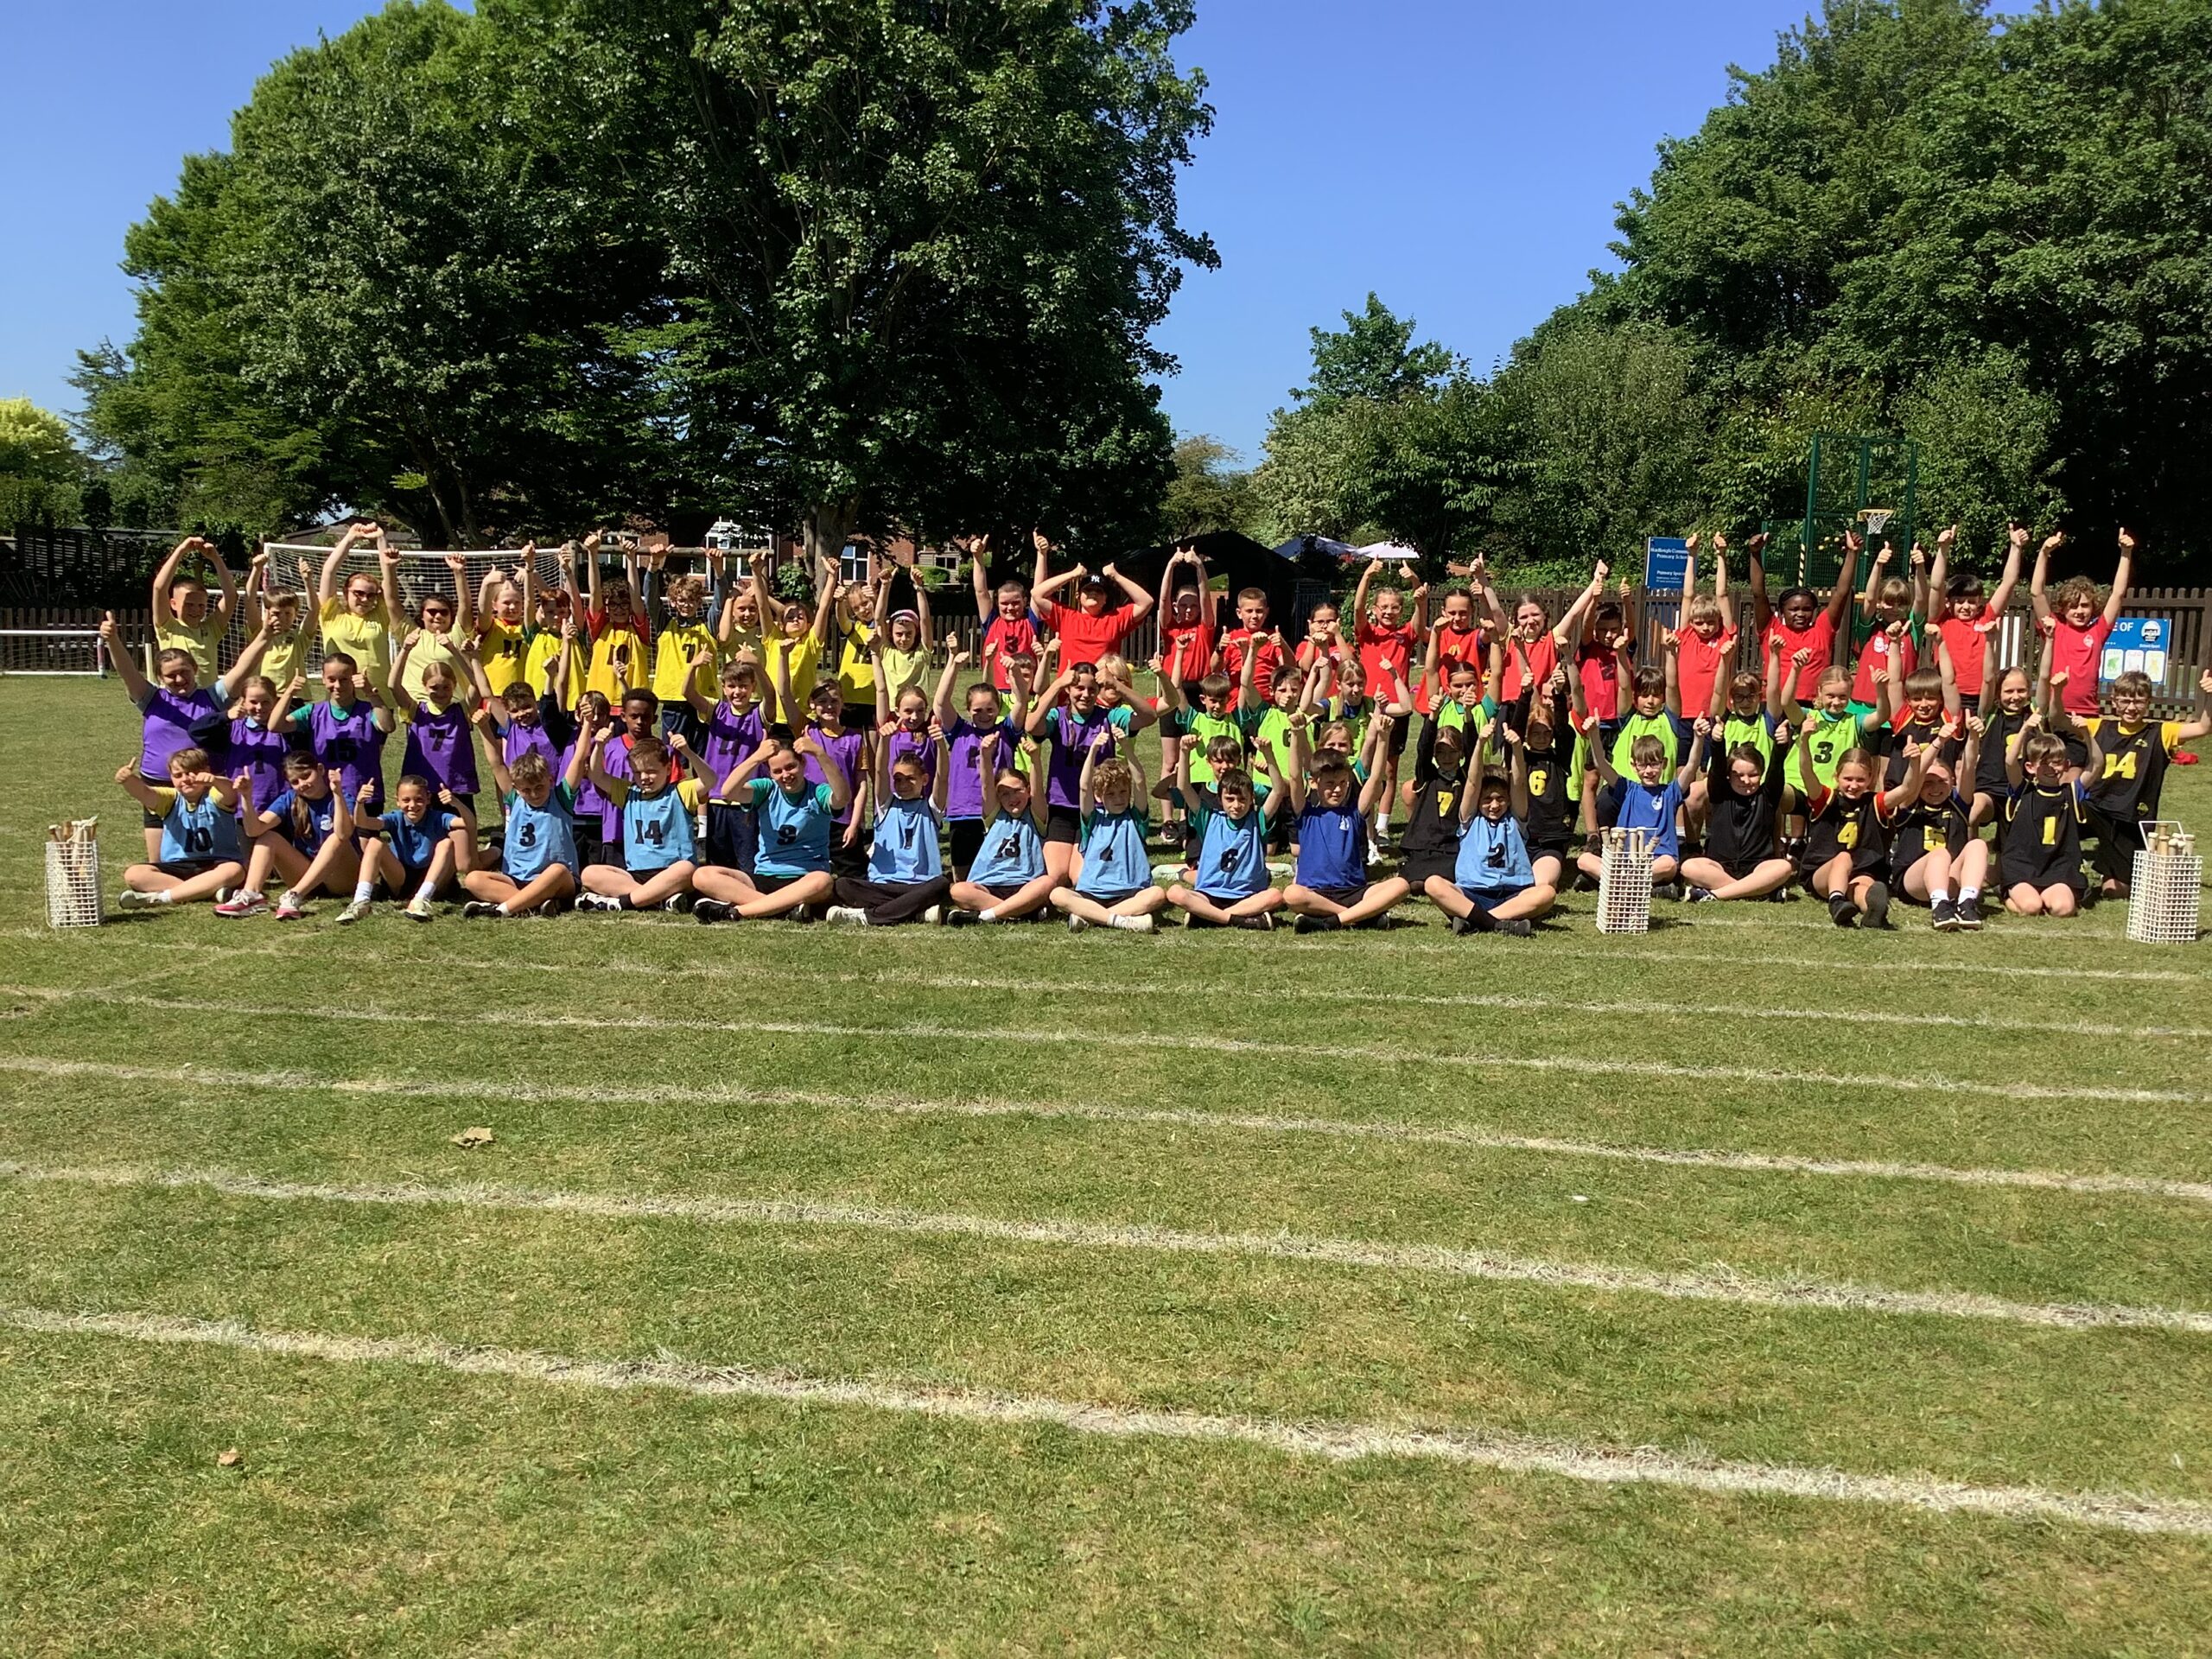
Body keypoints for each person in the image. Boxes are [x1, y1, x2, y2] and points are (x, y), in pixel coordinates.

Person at [99, 609, 270, 860]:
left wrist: (265, 633)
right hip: (158, 784)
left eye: (185, 673)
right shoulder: (151, 698)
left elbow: (243, 667)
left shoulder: (214, 696)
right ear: (159, 677)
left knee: (213, 856)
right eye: (170, 675)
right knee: (158, 862)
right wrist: (112, 640)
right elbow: (127, 671)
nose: (179, 679)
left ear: (195, 670)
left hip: (206, 784)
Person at [2079, 668, 2212, 899]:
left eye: (2139, 702)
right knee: (2063, 805)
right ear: (2114, 701)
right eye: (2126, 701)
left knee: (2115, 891)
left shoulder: (2161, 731)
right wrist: (2056, 689)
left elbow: (2203, 727)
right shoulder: (2098, 726)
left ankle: (2113, 872)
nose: (2132, 708)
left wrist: (2210, 697)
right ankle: (2062, 872)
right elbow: (2057, 718)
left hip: (2132, 818)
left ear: (2149, 702)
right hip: (2098, 810)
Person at [692, 731, 850, 922]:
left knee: (823, 881)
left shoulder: (818, 792)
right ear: (770, 773)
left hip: (805, 877)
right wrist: (757, 757)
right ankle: (783, 910)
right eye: (778, 771)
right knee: (702, 875)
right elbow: (729, 792)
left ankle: (739, 912)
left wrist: (820, 753)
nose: (785, 775)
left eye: (791, 767)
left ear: (802, 764)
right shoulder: (766, 789)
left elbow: (842, 798)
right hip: (765, 875)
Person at [1026, 656, 1152, 882]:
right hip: (1061, 807)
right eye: (1078, 688)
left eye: (1092, 689)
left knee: (1080, 876)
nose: (1085, 694)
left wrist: (1118, 686)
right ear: (1069, 689)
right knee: (1054, 875)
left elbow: (1148, 716)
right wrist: (1057, 685)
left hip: (1099, 810)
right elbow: (1031, 725)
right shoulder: (1059, 716)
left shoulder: (1110, 716)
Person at [1281, 715, 1411, 931]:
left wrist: (1383, 737)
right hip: (1315, 893)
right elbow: (1294, 777)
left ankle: (1331, 921)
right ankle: (1360, 916)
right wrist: (1296, 734)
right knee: (1291, 894)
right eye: (1330, 784)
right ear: (1313, 783)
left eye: (1342, 783)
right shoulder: (1306, 812)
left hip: (1354, 891)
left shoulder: (1354, 811)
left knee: (1401, 885)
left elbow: (1376, 776)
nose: (1337, 789)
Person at [1422, 726, 1556, 936]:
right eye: (1487, 800)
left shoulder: (1515, 820)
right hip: (1471, 893)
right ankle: (1499, 924)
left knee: (1546, 893)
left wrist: (1517, 748)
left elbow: (1519, 783)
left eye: (1500, 799)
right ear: (1478, 802)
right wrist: (1480, 744)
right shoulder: (1469, 820)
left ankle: (1476, 920)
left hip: (1512, 895)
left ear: (1509, 799)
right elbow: (1473, 783)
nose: (1494, 806)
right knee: (1433, 884)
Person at [1796, 729, 1923, 929]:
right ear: (1837, 776)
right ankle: (1836, 902)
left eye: (1860, 780)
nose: (1853, 785)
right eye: (1848, 779)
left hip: (1862, 870)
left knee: (1863, 886)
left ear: (1871, 779)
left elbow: (1906, 788)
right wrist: (1804, 741)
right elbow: (1806, 771)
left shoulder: (1875, 802)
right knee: (1843, 858)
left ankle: (1872, 913)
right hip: (1823, 873)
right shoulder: (1825, 798)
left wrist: (1914, 762)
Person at [825, 732, 953, 926]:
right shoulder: (886, 805)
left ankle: (867, 915)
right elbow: (879, 773)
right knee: (843, 885)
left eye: (910, 779)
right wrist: (884, 741)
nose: (903, 785)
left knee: (942, 885)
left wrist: (940, 745)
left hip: (920, 884)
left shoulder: (931, 808)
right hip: (883, 884)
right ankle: (916, 912)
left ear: (924, 780)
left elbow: (942, 777)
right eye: (898, 779)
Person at [217, 752, 359, 920]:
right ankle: (251, 895)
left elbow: (344, 833)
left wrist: (337, 794)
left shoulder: (343, 798)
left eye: (307, 776)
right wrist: (246, 797)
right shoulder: (290, 799)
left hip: (342, 878)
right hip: (307, 874)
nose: (302, 784)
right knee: (267, 837)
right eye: (295, 782)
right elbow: (254, 830)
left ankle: (295, 896)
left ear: (320, 770)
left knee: (336, 838)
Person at [1162, 740, 1288, 930]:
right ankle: (1238, 919)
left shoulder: (1257, 821)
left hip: (1248, 894)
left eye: (1242, 799)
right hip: (1209, 893)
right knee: (1175, 893)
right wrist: (1184, 751)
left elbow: (1279, 791)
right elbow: (1184, 787)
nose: (1236, 805)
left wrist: (1268, 754)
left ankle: (1208, 916)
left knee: (1276, 896)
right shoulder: (1208, 818)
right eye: (1229, 799)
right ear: (1220, 799)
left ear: (1251, 799)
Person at [1050, 728, 1166, 932]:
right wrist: (1094, 749)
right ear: (1099, 796)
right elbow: (1084, 787)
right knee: (1057, 894)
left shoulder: (1135, 819)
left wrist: (1126, 748)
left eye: (1123, 792)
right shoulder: (1092, 820)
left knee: (1156, 894)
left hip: (1130, 890)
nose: (1119, 798)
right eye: (1110, 794)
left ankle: (1091, 917)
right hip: (1092, 892)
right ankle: (1122, 920)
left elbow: (1140, 781)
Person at [575, 732, 703, 912]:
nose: (644, 778)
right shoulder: (628, 792)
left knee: (687, 869)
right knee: (589, 874)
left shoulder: (680, 791)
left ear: (668, 769)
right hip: (636, 875)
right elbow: (596, 775)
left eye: (651, 771)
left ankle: (624, 902)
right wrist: (600, 747)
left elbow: (710, 780)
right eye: (637, 772)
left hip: (672, 872)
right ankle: (658, 900)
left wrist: (688, 753)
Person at [945, 728, 1058, 924]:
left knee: (1047, 883)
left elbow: (1038, 788)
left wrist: (1035, 759)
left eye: (1017, 791)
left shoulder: (1035, 815)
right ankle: (1019, 912)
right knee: (958, 890)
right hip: (989, 884)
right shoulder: (994, 816)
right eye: (1005, 794)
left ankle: (990, 914)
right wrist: (985, 755)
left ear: (1027, 791)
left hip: (1024, 884)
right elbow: (986, 786)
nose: (1012, 798)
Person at [1577, 725, 1703, 899]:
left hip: (1658, 860)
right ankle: (1643, 886)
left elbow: (1691, 765)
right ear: (1633, 766)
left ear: (1664, 764)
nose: (1649, 771)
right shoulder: (1627, 788)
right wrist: (1593, 734)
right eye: (1642, 765)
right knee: (1584, 860)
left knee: (1669, 865)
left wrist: (1698, 738)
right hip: (1625, 862)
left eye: (1654, 764)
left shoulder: (1670, 792)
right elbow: (1601, 763)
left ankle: (1611, 883)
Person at [1680, 721, 1799, 903]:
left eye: (1753, 775)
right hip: (1720, 866)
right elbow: (1717, 768)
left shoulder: (1768, 795)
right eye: (1738, 775)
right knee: (1689, 866)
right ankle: (1759, 890)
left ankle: (1716, 894)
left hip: (1758, 866)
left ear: (1761, 774)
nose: (1745, 780)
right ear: (1729, 776)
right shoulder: (1719, 793)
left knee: (1783, 867)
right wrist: (1717, 742)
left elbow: (1777, 768)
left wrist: (1781, 746)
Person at [935, 645, 1027, 879]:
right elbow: (941, 702)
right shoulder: (959, 731)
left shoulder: (1006, 731)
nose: (984, 714)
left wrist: (1015, 673)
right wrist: (954, 666)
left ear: (998, 709)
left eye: (990, 709)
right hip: (964, 811)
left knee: (997, 867)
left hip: (998, 810)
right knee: (963, 874)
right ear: (968, 710)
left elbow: (1022, 703)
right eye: (977, 710)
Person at [111, 749, 245, 909]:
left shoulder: (215, 795)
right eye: (178, 775)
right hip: (177, 865)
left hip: (217, 863)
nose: (186, 779)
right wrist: (128, 780)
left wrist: (215, 780)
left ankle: (161, 898)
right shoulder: (171, 798)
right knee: (134, 874)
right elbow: (145, 793)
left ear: (207, 771)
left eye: (192, 773)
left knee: (234, 870)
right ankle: (205, 891)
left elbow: (230, 792)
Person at [461, 746, 584, 918]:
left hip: (555, 881)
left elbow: (578, 759)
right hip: (517, 879)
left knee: (557, 870)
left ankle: (501, 910)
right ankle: (533, 904)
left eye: (539, 787)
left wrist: (587, 724)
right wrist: (484, 727)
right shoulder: (514, 799)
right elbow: (496, 763)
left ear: (550, 780)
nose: (534, 794)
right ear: (516, 788)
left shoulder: (561, 798)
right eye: (526, 790)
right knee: (472, 879)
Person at [1888, 722, 1988, 931]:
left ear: (1952, 782)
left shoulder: (1958, 804)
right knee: (1940, 854)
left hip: (1950, 877)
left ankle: (1966, 902)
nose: (1935, 788)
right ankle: (1940, 907)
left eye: (1942, 781)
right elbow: (1915, 778)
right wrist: (1938, 742)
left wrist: (1973, 736)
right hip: (1914, 881)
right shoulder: (1910, 804)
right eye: (1928, 782)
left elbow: (1969, 766)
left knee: (1978, 844)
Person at [1352, 558, 1426, 841]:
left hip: (1398, 708)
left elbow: (1420, 614)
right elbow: (1357, 608)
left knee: (1390, 769)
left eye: (1395, 607)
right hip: (1369, 705)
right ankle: (1361, 818)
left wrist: (1416, 584)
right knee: (1364, 764)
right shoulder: (1367, 633)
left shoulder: (1405, 633)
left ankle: (1382, 825)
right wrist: (1367, 576)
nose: (1390, 611)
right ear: (1375, 610)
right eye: (1384, 607)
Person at [2033, 526, 2135, 721]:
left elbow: (2118, 594)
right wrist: (2044, 553)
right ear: (2062, 608)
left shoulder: (2098, 630)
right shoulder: (2054, 627)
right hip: (2053, 711)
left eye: (2085, 605)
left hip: (2088, 713)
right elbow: (2037, 593)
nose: (2079, 611)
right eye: (2073, 606)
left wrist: (2126, 553)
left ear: (2093, 606)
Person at [684, 653, 770, 876]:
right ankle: (719, 897)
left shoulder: (758, 714)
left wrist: (757, 666)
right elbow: (688, 693)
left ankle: (749, 897)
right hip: (716, 798)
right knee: (717, 860)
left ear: (753, 687)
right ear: (723, 687)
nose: (737, 691)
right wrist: (693, 667)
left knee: (747, 859)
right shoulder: (717, 710)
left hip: (745, 800)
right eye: (732, 686)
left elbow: (771, 696)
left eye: (743, 686)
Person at [1751, 530, 1859, 704]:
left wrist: (1852, 553)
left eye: (1806, 609)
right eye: (1794, 609)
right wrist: (1755, 554)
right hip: (1775, 704)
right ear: (1782, 611)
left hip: (1813, 705)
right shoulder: (1772, 629)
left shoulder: (1822, 630)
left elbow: (1841, 593)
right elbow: (1758, 593)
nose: (1800, 614)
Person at [1925, 521, 2025, 704]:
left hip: (1982, 695)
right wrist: (1943, 550)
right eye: (1959, 601)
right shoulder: (1942, 619)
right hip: (1947, 693)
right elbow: (1936, 585)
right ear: (1949, 602)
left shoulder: (1986, 616)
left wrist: (2016, 548)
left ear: (1979, 602)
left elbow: (2008, 582)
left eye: (1971, 602)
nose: (1965, 606)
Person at [346, 774, 467, 923]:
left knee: (446, 844)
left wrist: (457, 804)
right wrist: (360, 802)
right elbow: (363, 822)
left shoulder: (438, 817)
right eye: (406, 800)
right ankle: (360, 901)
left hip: (434, 878)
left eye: (419, 800)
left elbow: (469, 824)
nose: (413, 805)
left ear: (428, 799)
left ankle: (421, 899)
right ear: (397, 800)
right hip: (400, 878)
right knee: (374, 843)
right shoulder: (395, 818)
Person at [1031, 531, 1154, 670]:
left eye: (1099, 591)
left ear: (1105, 599)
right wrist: (1072, 574)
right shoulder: (1065, 617)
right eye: (1088, 590)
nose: (1093, 593)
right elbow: (1037, 594)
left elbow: (1146, 602)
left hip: (1104, 687)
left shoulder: (1115, 619)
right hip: (1070, 688)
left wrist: (1116, 576)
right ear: (1078, 597)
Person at [286, 651, 393, 805]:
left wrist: (370, 692)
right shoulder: (313, 712)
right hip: (325, 796)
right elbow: (276, 725)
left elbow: (388, 726)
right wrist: (289, 692)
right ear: (323, 678)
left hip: (364, 795)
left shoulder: (368, 710)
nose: (338, 685)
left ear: (354, 679)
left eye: (344, 679)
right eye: (331, 679)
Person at [315, 523, 402, 704]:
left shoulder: (380, 615)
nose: (364, 599)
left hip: (378, 696)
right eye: (358, 593)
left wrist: (380, 539)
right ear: (346, 591)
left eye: (371, 595)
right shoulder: (332, 614)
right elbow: (328, 572)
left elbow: (389, 580)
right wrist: (350, 538)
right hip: (339, 697)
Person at [395, 555, 477, 712]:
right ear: (422, 614)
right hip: (417, 708)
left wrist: (459, 571)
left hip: (452, 707)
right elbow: (392, 602)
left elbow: (465, 605)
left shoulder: (457, 635)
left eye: (443, 612)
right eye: (432, 612)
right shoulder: (412, 634)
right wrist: (389, 567)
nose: (438, 616)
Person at [151, 535, 237, 678]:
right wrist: (181, 551)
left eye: (201, 605)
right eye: (189, 605)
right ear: (173, 604)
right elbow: (159, 588)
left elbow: (231, 596)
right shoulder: (169, 627)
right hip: (177, 697)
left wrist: (216, 559)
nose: (196, 610)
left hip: (207, 698)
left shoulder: (211, 628)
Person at [969, 534, 1040, 692]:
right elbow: (981, 591)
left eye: (1015, 603)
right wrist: (978, 558)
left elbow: (1038, 591)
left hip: (1026, 690)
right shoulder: (992, 620)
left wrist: (1042, 554)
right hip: (998, 690)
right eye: (1004, 604)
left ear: (1025, 601)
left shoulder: (1031, 621)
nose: (1010, 608)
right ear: (997, 604)